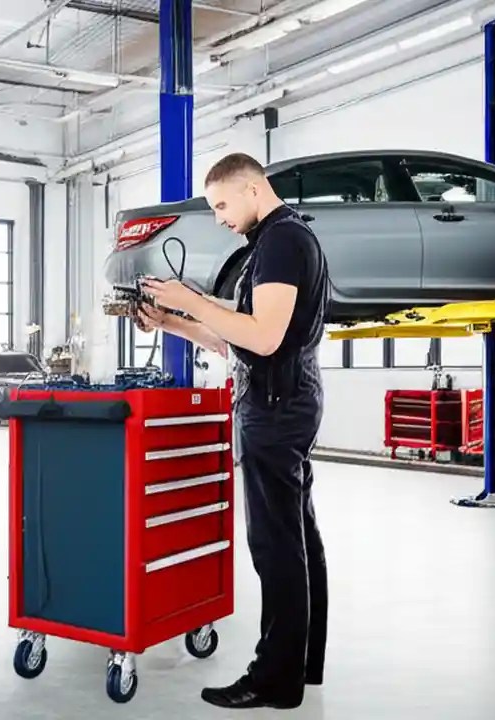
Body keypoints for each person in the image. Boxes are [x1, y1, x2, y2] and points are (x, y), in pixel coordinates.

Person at [138, 152, 330, 711]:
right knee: (297, 539)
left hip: (276, 407)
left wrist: (190, 299)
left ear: (253, 189)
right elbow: (237, 338)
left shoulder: (282, 242)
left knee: (275, 546)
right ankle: (301, 666)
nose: (219, 217)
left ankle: (274, 679)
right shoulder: (273, 245)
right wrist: (173, 320)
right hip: (286, 399)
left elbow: (264, 337)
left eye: (222, 204)